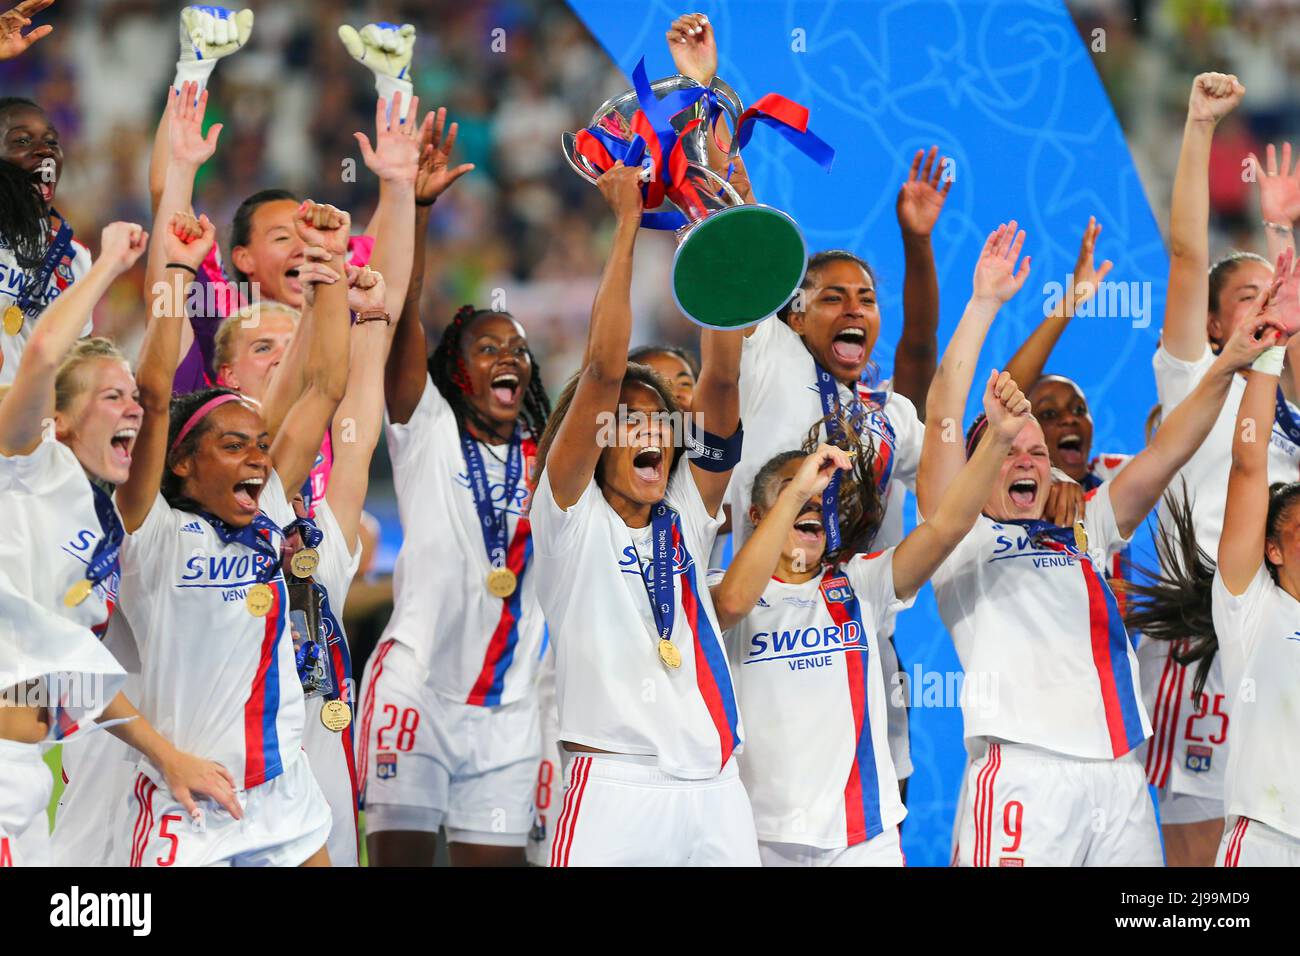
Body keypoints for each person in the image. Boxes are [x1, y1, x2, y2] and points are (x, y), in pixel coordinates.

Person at [919, 221, 1281, 867]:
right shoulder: (959, 537)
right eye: (1012, 448)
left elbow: (1170, 447)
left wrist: (1229, 364)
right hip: (1023, 775)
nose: (1031, 458)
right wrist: (982, 306)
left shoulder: (1088, 521)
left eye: (1039, 451)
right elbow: (945, 408)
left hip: (1120, 775)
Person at [109, 200, 351, 866]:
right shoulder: (151, 532)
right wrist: (178, 274)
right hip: (188, 805)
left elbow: (327, 385)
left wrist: (328, 265)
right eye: (232, 445)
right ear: (181, 462)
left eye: (259, 445)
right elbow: (155, 394)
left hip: (285, 797)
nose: (256, 458)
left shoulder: (269, 507)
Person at [714, 368, 1030, 867]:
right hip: (756, 837)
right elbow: (730, 605)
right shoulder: (720, 591)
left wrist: (998, 440)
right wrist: (799, 489)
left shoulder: (861, 583)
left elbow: (946, 527)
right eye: (795, 489)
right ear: (757, 514)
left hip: (863, 837)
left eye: (824, 493)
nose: (813, 497)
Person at [529, 162, 751, 866]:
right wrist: (627, 224)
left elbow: (720, 378)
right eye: (629, 423)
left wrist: (716, 234)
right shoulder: (567, 518)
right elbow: (600, 374)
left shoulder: (683, 515)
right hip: (614, 786)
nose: (651, 433)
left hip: (716, 784)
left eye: (660, 422)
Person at [0, 219, 240, 867]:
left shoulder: (102, 510)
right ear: (59, 417)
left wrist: (178, 277)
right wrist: (107, 264)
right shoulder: (22, 461)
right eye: (111, 397)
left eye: (128, 397)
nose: (132, 407)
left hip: (30, 772)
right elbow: (46, 353)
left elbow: (158, 391)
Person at [361, 105, 552, 868]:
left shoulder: (553, 462)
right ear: (454, 369)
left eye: (519, 348)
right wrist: (418, 207)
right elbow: (404, 314)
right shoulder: (427, 428)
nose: (509, 356)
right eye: (488, 346)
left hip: (510, 711)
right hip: (418, 693)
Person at [1136, 73, 1300, 865]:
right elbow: (1186, 250)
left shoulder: (1287, 413)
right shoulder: (1191, 374)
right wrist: (1199, 126)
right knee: (1204, 848)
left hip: (1282, 634)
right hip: (1205, 631)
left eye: (1274, 294)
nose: (1265, 304)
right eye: (1246, 297)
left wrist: (1286, 235)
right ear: (1209, 322)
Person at [1212, 256, 1300, 865]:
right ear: (1271, 548)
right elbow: (1249, 467)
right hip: (1267, 839)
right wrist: (1271, 353)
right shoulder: (1250, 605)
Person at [0, 95, 92, 385]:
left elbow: (75, 369)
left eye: (51, 142)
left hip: (29, 422)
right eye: (22, 141)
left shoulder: (75, 257)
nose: (43, 151)